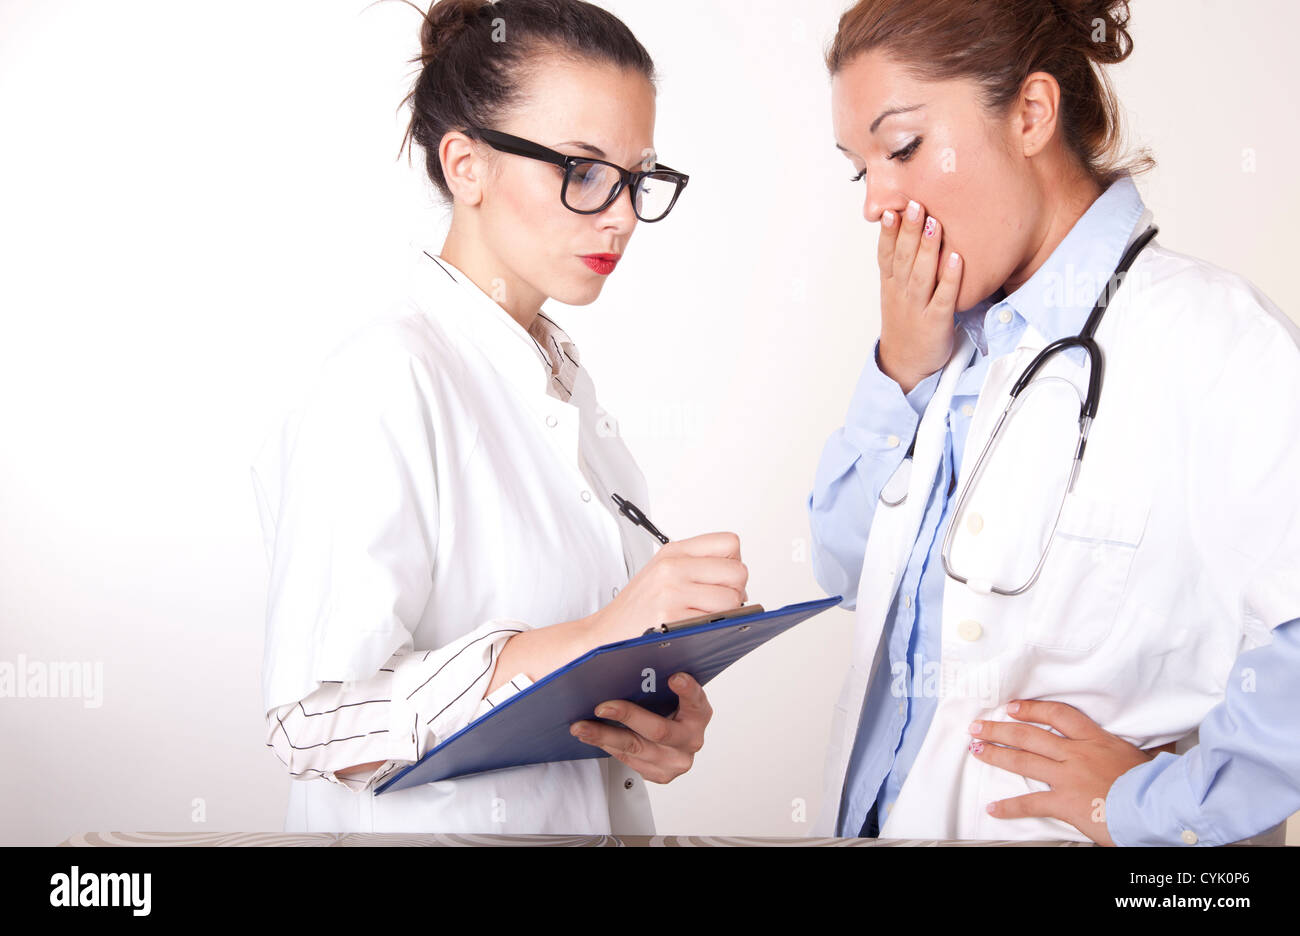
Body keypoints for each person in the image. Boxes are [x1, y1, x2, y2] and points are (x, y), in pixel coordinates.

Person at [808, 0, 1300, 845]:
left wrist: (1157, 808)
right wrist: (904, 376)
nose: (877, 204)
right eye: (862, 170)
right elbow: (848, 570)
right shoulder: (942, 341)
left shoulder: (1219, 342)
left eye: (904, 149)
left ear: (1032, 113)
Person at [250, 0, 748, 835]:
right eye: (584, 171)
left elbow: (573, 688)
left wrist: (652, 721)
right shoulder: (385, 380)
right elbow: (311, 720)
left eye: (637, 178)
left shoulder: (569, 393)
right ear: (466, 165)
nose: (623, 214)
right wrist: (595, 634)